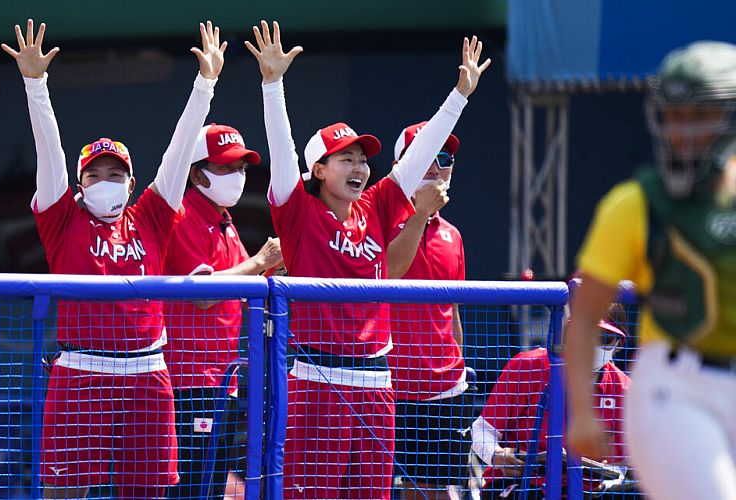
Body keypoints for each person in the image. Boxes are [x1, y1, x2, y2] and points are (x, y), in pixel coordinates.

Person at [245, 19, 490, 499]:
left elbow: (419, 159)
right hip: (318, 379)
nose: (359, 167)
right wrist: (272, 85)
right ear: (317, 169)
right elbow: (281, 148)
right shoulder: (297, 212)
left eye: (362, 159)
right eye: (345, 159)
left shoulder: (376, 207)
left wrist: (460, 94)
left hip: (378, 382)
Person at [2, 19, 227, 499]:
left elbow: (180, 149)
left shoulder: (152, 214)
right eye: (95, 173)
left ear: (132, 182)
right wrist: (35, 84)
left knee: (146, 493)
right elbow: (48, 151)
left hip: (148, 372)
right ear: (80, 185)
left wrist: (204, 84)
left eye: (116, 173)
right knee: (63, 494)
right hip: (80, 371)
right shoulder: (61, 218)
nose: (107, 179)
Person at [565, 41, 736, 500]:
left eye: (700, 115)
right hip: (679, 391)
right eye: (674, 116)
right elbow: (583, 318)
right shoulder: (637, 204)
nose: (683, 132)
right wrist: (582, 411)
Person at [163, 123, 283, 499]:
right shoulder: (182, 214)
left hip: (220, 380)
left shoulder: (223, 220)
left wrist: (272, 266)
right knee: (191, 490)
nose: (237, 176)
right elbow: (202, 295)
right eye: (227, 168)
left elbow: (245, 281)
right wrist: (262, 260)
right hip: (189, 381)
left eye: (242, 168)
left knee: (210, 488)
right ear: (196, 172)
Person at [385, 122, 472, 499]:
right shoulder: (376, 220)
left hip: (443, 391)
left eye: (445, 157)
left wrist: (460, 369)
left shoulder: (453, 235)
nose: (436, 166)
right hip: (387, 388)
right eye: (425, 156)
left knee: (432, 492)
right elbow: (388, 270)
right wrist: (418, 214)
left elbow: (451, 313)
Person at [472, 313, 630, 499]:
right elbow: (481, 430)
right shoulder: (528, 365)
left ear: (618, 345)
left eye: (604, 337)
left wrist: (607, 482)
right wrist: (497, 455)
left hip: (586, 490)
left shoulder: (625, 389)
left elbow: (619, 465)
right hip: (520, 482)